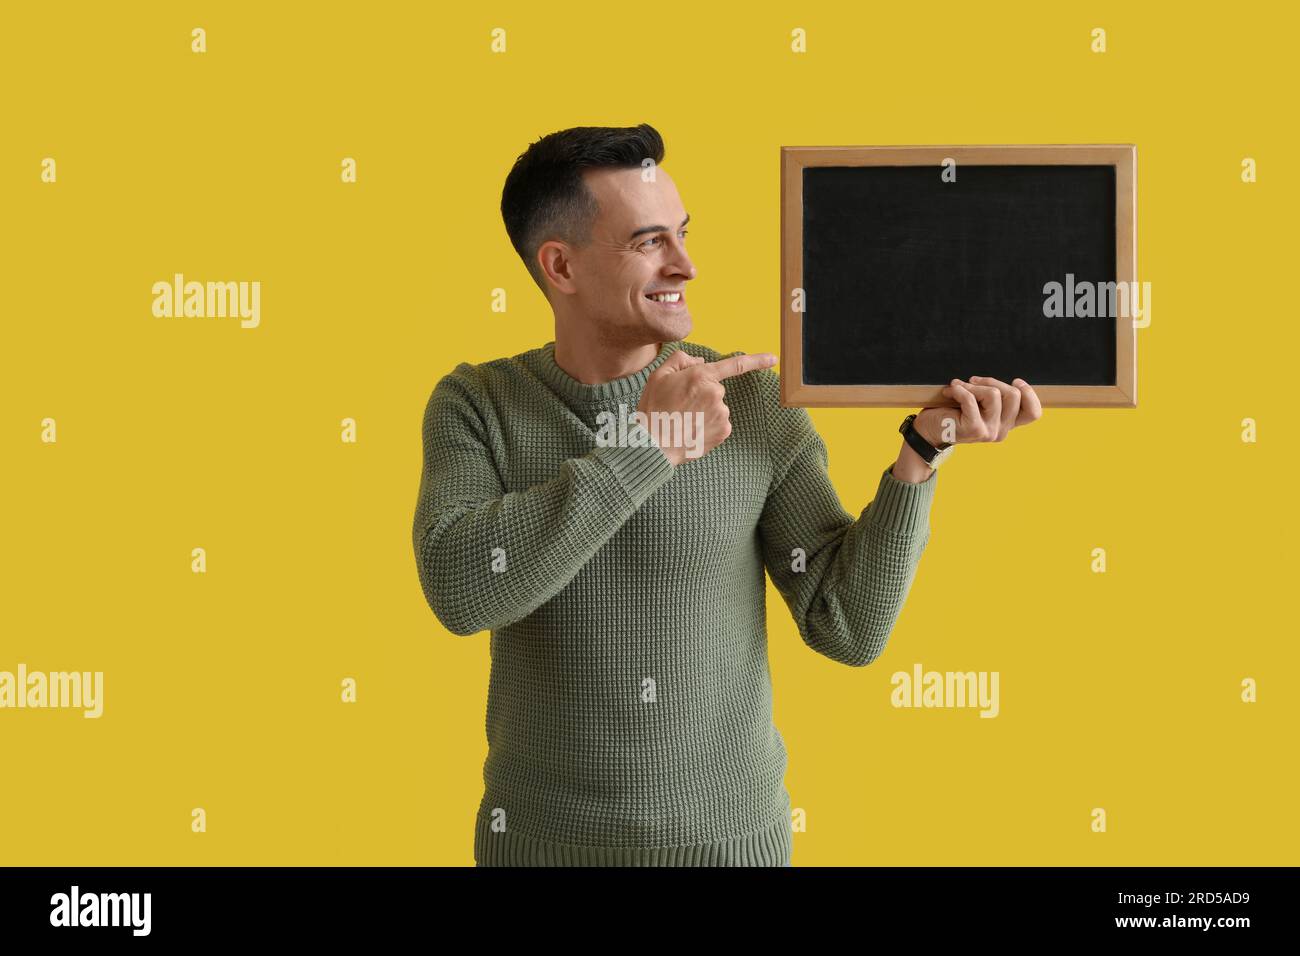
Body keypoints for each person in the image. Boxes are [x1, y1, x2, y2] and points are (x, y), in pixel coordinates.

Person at [412, 123, 1042, 866]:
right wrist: (645, 451)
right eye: (650, 243)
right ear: (561, 266)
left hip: (730, 849)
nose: (687, 265)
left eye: (682, 235)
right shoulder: (478, 402)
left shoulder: (754, 404)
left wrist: (920, 453)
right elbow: (462, 592)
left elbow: (846, 626)